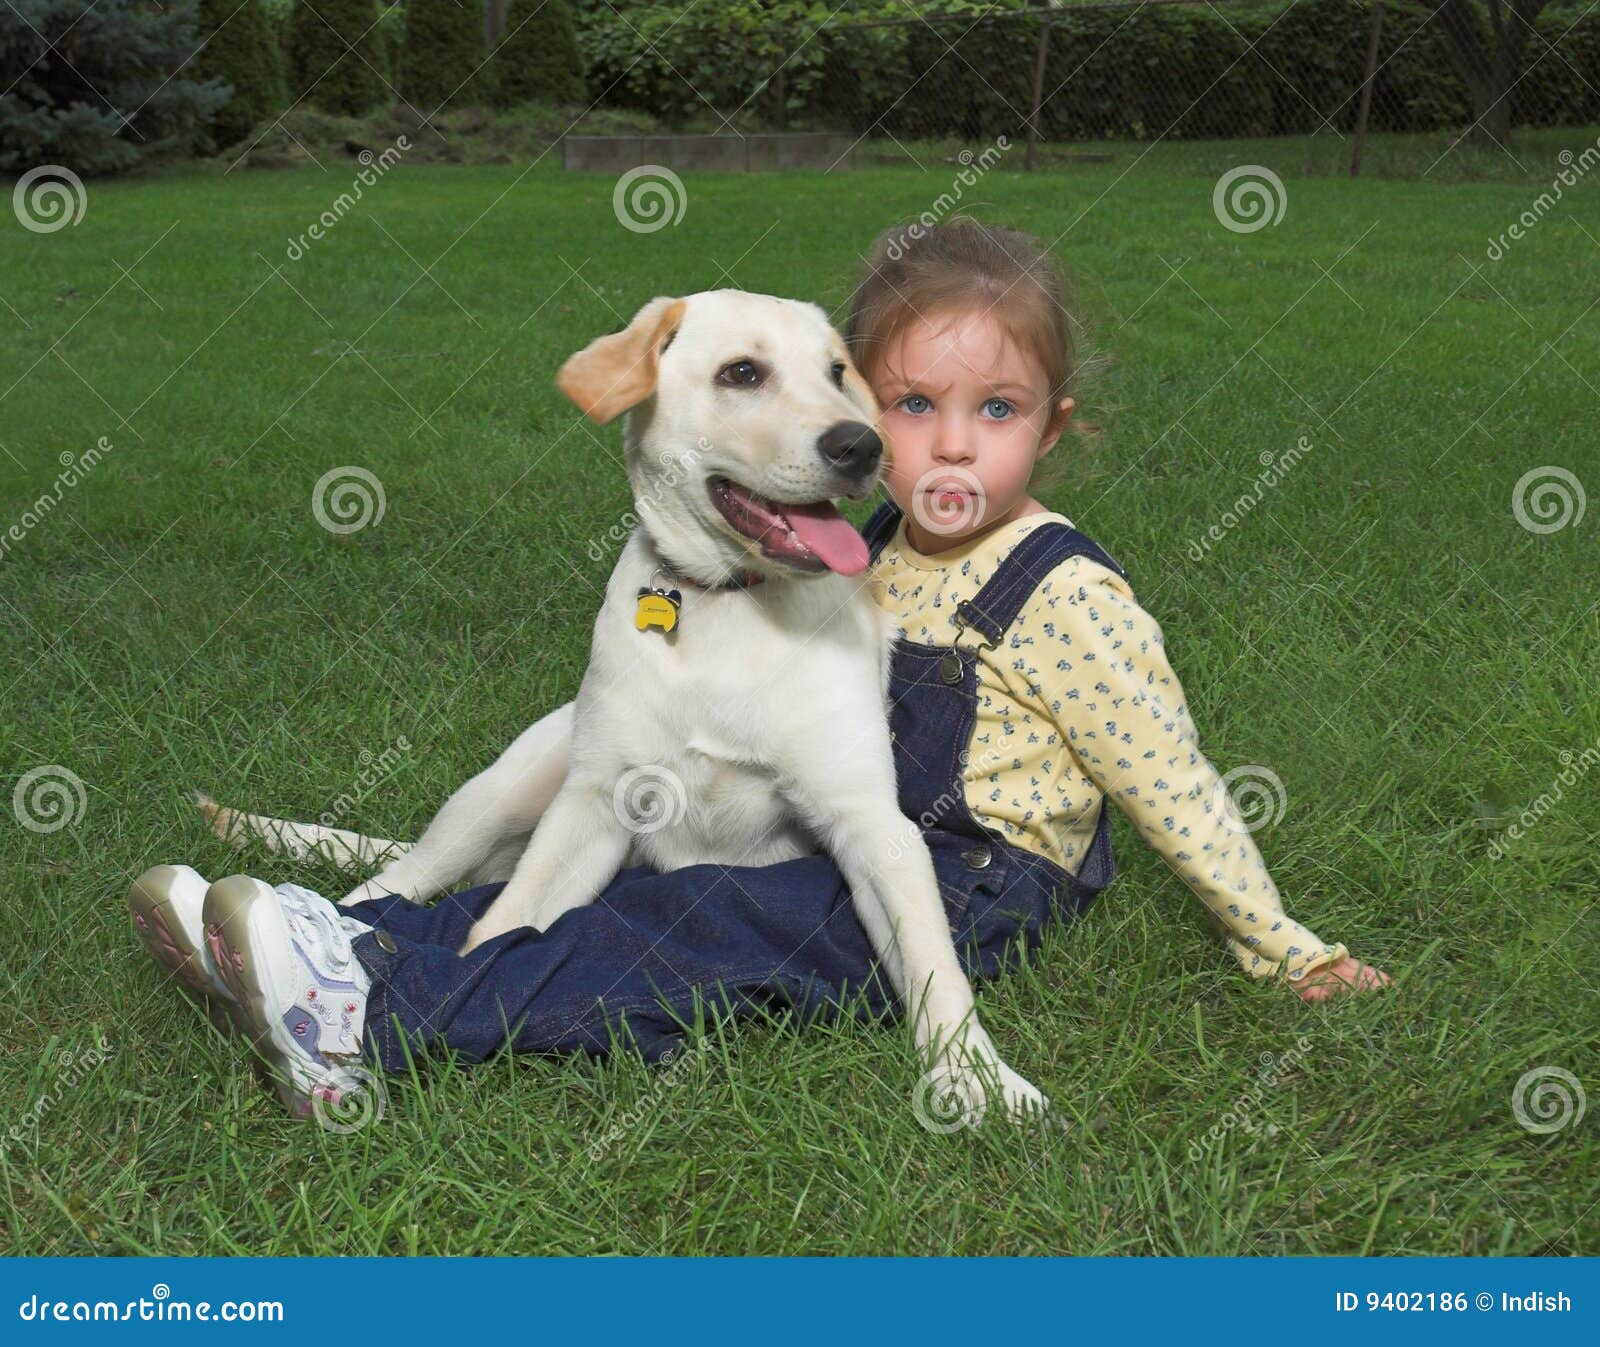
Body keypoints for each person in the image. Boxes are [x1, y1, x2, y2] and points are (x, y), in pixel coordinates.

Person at [127, 214, 1388, 1122]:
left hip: (969, 864)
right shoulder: (800, 559)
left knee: (691, 923)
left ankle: (359, 1008)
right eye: (743, 381)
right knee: (573, 769)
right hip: (666, 791)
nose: (836, 431)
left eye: (836, 385)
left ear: (1051, 430)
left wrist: (1280, 942)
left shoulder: (1002, 584)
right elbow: (593, 811)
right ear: (651, 403)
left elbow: (1157, 772)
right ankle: (367, 919)